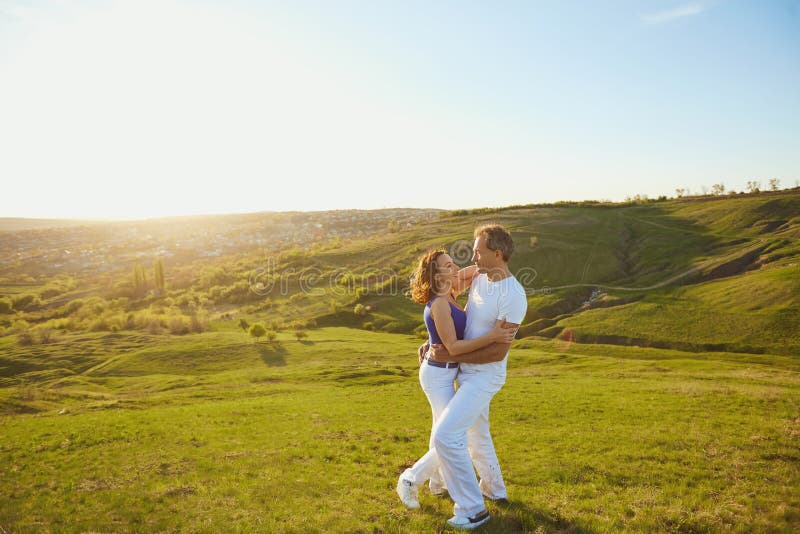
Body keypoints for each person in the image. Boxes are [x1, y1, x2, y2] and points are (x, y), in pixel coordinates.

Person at [396, 248, 517, 510]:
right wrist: (493, 336)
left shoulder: (450, 292)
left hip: (449, 371)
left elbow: (476, 270)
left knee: (443, 429)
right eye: (448, 266)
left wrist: (488, 259)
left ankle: (437, 484)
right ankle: (409, 479)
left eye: (454, 264)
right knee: (451, 433)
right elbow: (454, 347)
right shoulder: (440, 302)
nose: (456, 268)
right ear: (436, 274)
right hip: (438, 375)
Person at [426, 224, 528, 530]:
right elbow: (444, 301)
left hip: (485, 376)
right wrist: (434, 342)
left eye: (478, 250)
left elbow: (497, 353)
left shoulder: (514, 296)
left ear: (497, 254)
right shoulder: (481, 275)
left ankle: (472, 509)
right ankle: (494, 491)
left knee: (447, 436)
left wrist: (452, 354)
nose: (472, 255)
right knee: (477, 435)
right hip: (465, 371)